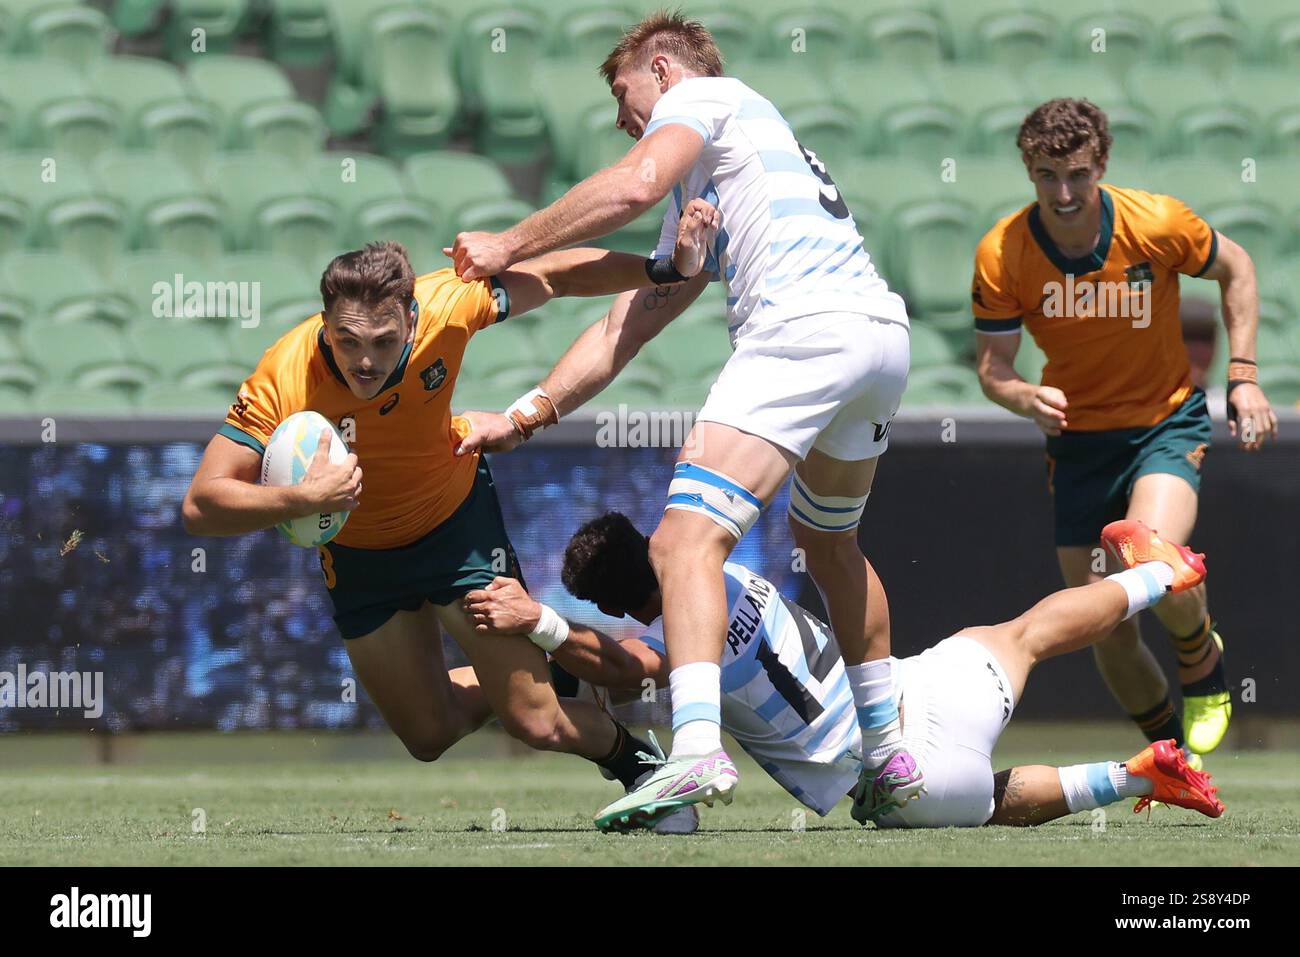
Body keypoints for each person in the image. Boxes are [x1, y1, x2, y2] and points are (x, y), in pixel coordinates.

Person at [445, 9, 918, 823]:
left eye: (627, 94)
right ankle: (890, 753)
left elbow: (632, 182)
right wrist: (523, 416)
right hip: (879, 337)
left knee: (682, 541)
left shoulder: (704, 102)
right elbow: (625, 325)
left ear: (663, 69)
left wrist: (508, 243)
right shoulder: (723, 178)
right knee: (831, 541)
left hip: (800, 330)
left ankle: (696, 754)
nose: (626, 118)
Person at [180, 228, 711, 791]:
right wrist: (303, 498)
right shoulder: (283, 374)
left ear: (411, 318)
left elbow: (558, 276)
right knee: (428, 736)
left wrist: (660, 270)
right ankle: (549, 672)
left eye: (384, 342)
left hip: (458, 530)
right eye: (347, 341)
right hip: (360, 558)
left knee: (535, 721)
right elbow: (200, 503)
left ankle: (641, 765)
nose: (365, 362)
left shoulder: (447, 304)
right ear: (325, 323)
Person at [463, 512, 1224, 831]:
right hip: (906, 689)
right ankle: (1163, 574)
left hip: (898, 774)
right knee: (1022, 633)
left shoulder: (679, 647)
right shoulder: (729, 572)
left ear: (617, 603)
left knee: (986, 801)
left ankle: (1136, 777)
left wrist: (541, 621)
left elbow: (630, 671)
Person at [972, 98, 1278, 763]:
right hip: (1079, 446)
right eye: (1047, 175)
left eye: (1077, 174)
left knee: (1147, 550)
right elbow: (993, 369)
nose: (1064, 192)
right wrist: (1023, 395)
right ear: (1029, 170)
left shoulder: (1156, 221)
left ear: (1100, 165)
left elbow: (1239, 268)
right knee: (1104, 623)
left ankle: (1200, 658)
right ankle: (1171, 754)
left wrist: (1245, 375)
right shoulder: (1004, 252)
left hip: (1162, 423)